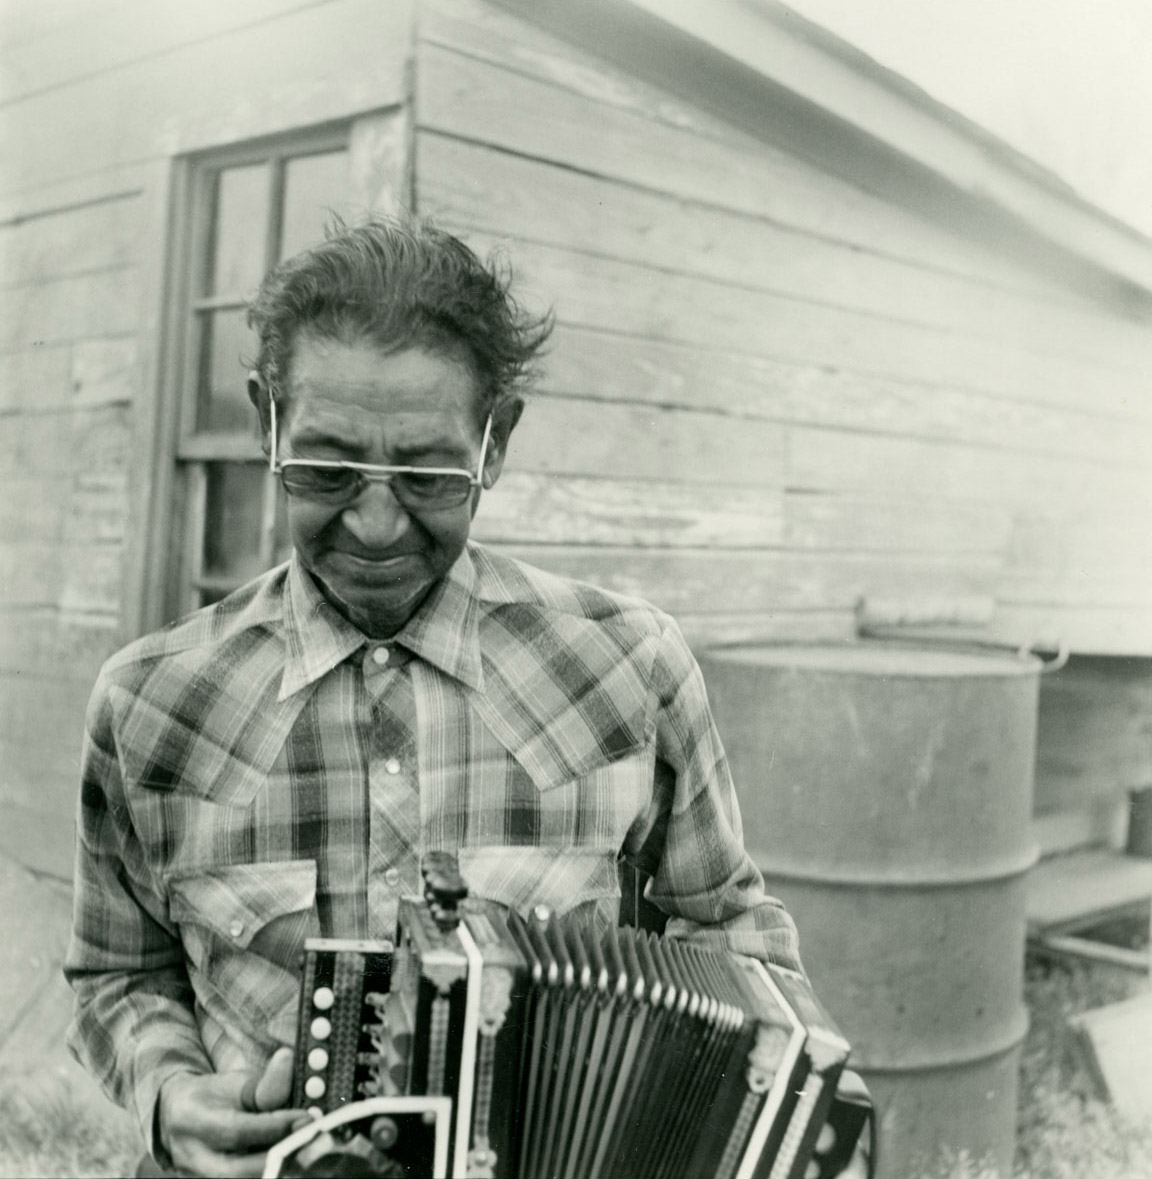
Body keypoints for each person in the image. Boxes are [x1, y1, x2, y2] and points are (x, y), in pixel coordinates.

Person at [65, 217, 802, 1177]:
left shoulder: (632, 668)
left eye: (428, 476)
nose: (375, 524)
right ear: (265, 424)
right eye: (327, 470)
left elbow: (730, 929)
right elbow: (117, 973)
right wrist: (170, 1094)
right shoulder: (149, 703)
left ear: (496, 444)